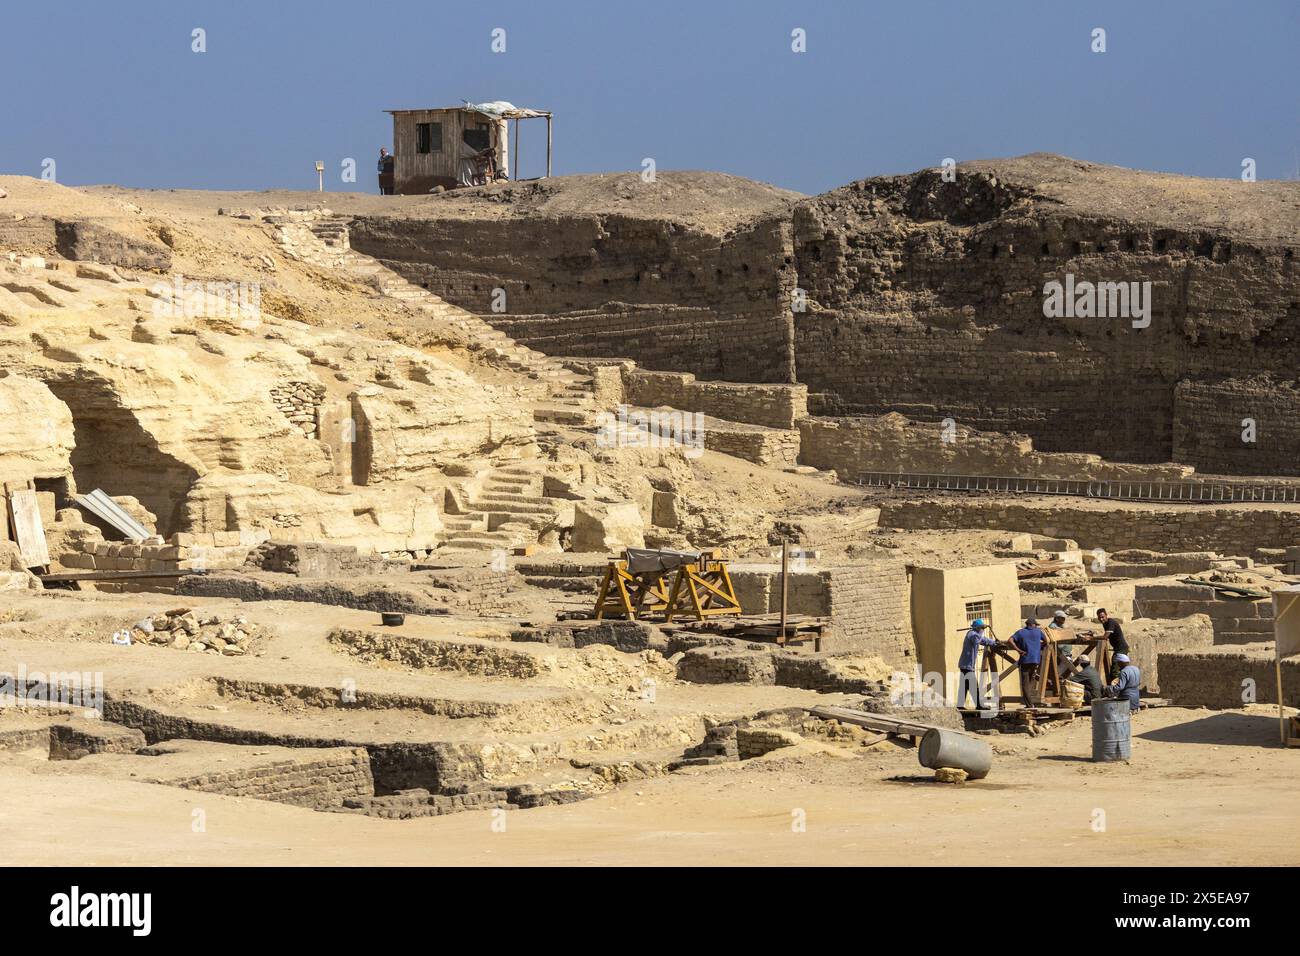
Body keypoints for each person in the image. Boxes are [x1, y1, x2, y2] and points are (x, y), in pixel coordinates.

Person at [956, 618, 998, 711]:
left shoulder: (976, 635)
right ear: (978, 628)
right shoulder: (972, 634)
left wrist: (995, 643)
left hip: (966, 665)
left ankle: (959, 705)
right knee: (974, 686)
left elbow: (984, 640)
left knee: (965, 686)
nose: (983, 630)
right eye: (982, 628)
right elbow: (978, 639)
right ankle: (980, 705)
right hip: (967, 665)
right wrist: (981, 630)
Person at [1011, 617, 1048, 706]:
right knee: (1031, 682)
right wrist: (1038, 647)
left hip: (1025, 661)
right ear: (1033, 625)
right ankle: (1030, 703)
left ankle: (1030, 704)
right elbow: (1046, 641)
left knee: (1024, 684)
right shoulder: (1038, 631)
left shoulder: (1021, 632)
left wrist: (1018, 650)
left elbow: (1010, 640)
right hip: (1035, 660)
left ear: (1027, 625)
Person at [1096, 608, 1130, 679]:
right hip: (1118, 649)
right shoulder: (1105, 624)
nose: (1101, 619)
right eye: (1099, 618)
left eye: (1102, 617)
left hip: (1121, 649)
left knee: (1115, 671)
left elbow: (1105, 637)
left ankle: (1116, 688)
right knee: (1118, 669)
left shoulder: (1111, 622)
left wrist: (1090, 638)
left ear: (1106, 615)